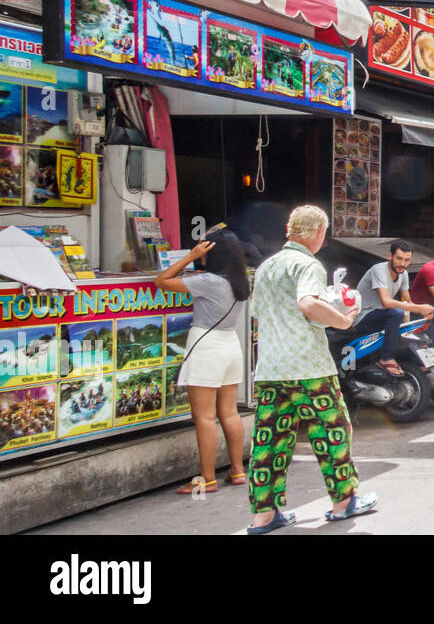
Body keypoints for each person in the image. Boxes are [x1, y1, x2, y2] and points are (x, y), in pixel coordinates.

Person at [245, 205, 375, 534]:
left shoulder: (266, 267)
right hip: (309, 367)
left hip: (271, 369)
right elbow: (308, 303)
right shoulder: (308, 264)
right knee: (332, 431)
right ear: (318, 233)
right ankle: (344, 501)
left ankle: (264, 514)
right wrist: (343, 320)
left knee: (270, 440)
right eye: (324, 234)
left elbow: (259, 315)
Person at [154, 226, 250, 496]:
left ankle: (207, 478)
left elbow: (161, 281)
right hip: (231, 345)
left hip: (206, 347)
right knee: (229, 412)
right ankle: (238, 470)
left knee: (205, 418)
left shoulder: (208, 281)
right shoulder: (238, 281)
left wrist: (189, 256)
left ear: (212, 253)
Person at [353, 240, 434, 377]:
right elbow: (386, 302)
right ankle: (386, 358)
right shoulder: (379, 270)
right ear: (390, 256)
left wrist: (424, 312)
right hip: (363, 316)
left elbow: (407, 301)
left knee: (432, 314)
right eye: (399, 258)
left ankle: (424, 360)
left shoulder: (403, 274)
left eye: (406, 260)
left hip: (383, 314)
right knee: (396, 312)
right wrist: (418, 307)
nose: (402, 263)